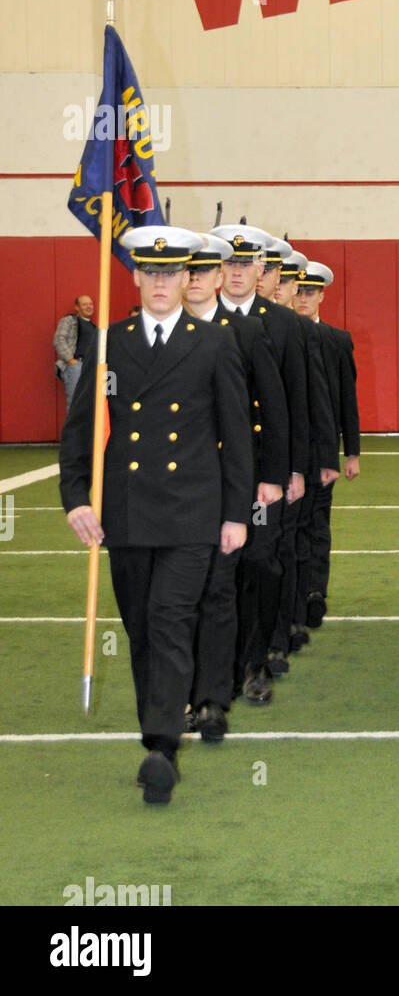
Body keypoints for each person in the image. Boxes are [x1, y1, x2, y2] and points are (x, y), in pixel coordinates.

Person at [59, 226, 252, 803]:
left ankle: (161, 744)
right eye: (153, 273)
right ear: (137, 277)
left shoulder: (214, 342)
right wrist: (75, 498)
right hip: (127, 512)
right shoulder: (109, 344)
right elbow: (81, 432)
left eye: (174, 274)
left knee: (170, 619)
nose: (163, 283)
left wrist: (236, 513)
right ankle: (160, 728)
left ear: (187, 278)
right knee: (140, 627)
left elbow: (236, 435)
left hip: (192, 512)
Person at [182, 233, 288, 741]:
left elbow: (272, 407)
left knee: (259, 565)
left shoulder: (245, 333)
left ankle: (255, 662)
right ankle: (206, 686)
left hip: (246, 482)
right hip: (191, 485)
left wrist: (272, 476)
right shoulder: (170, 333)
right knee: (203, 587)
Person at [292, 261, 361, 633]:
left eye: (309, 292)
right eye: (298, 290)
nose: (302, 297)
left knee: (317, 524)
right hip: (287, 452)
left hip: (321, 452)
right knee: (290, 527)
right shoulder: (277, 333)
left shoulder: (336, 339)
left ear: (321, 295)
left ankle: (315, 591)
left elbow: (346, 398)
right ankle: (294, 592)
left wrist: (351, 450)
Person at [54, 295, 95, 412]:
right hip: (76, 366)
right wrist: (71, 360)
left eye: (91, 304)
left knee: (89, 406)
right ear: (77, 307)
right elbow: (59, 339)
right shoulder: (69, 320)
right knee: (75, 404)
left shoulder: (94, 327)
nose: (89, 307)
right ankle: (71, 431)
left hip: (91, 368)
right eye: (85, 304)